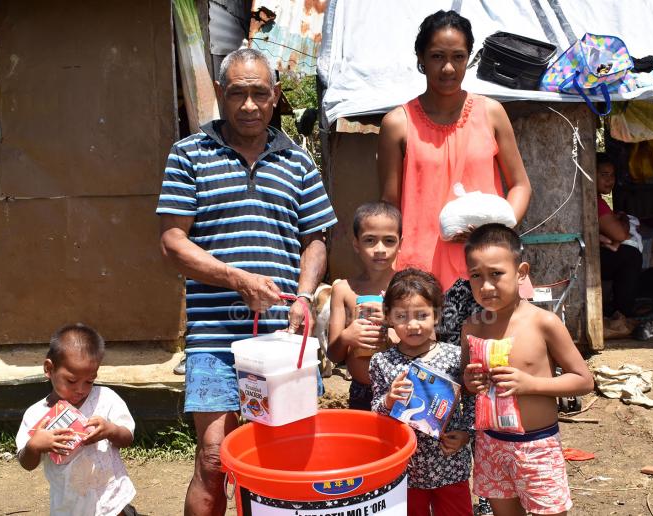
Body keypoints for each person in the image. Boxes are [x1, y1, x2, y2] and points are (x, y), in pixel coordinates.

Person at [156, 48, 337, 516]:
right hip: (214, 339)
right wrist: (235, 278)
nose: (250, 105)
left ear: (276, 96)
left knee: (284, 460)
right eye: (238, 93)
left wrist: (303, 297)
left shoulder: (298, 162)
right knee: (215, 458)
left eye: (260, 93)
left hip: (283, 341)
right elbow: (173, 241)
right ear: (221, 94)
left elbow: (315, 239)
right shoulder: (188, 155)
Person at [377, 9, 532, 349]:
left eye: (457, 57)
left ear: (469, 59)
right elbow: (389, 208)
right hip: (421, 272)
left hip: (485, 269)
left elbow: (520, 185)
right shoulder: (397, 124)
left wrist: (497, 234)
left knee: (494, 363)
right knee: (435, 374)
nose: (448, 68)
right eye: (437, 57)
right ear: (421, 59)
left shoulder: (491, 113)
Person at [461, 224, 594, 516]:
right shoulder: (472, 326)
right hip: (491, 444)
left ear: (521, 272)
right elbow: (466, 381)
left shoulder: (542, 322)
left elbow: (584, 380)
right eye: (475, 276)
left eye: (496, 274)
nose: (486, 286)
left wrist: (529, 384)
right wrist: (470, 381)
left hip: (537, 446)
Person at [369, 268, 474, 516]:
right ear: (388, 317)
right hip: (406, 468)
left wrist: (465, 434)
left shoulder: (454, 356)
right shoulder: (382, 362)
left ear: (436, 315)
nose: (413, 325)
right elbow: (375, 413)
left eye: (421, 315)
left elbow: (472, 401)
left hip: (450, 462)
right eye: (402, 316)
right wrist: (389, 399)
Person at [16, 324, 136, 516]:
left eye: (89, 380)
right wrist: (34, 446)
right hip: (70, 507)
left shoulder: (105, 399)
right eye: (71, 381)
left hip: (112, 501)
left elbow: (127, 438)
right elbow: (26, 463)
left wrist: (111, 430)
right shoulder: (36, 414)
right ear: (49, 369)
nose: (80, 389)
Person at [327, 201, 401, 410]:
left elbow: (430, 338)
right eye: (370, 240)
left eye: (389, 241)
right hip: (361, 391)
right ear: (356, 244)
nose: (380, 249)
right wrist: (347, 337)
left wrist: (393, 322)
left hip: (401, 389)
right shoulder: (343, 290)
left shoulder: (408, 288)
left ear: (400, 243)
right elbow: (334, 354)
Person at [596, 153, 644, 317]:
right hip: (584, 258)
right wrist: (623, 218)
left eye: (612, 175)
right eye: (604, 175)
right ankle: (623, 312)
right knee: (631, 255)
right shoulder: (595, 202)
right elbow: (621, 234)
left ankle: (619, 307)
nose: (609, 180)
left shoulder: (598, 200)